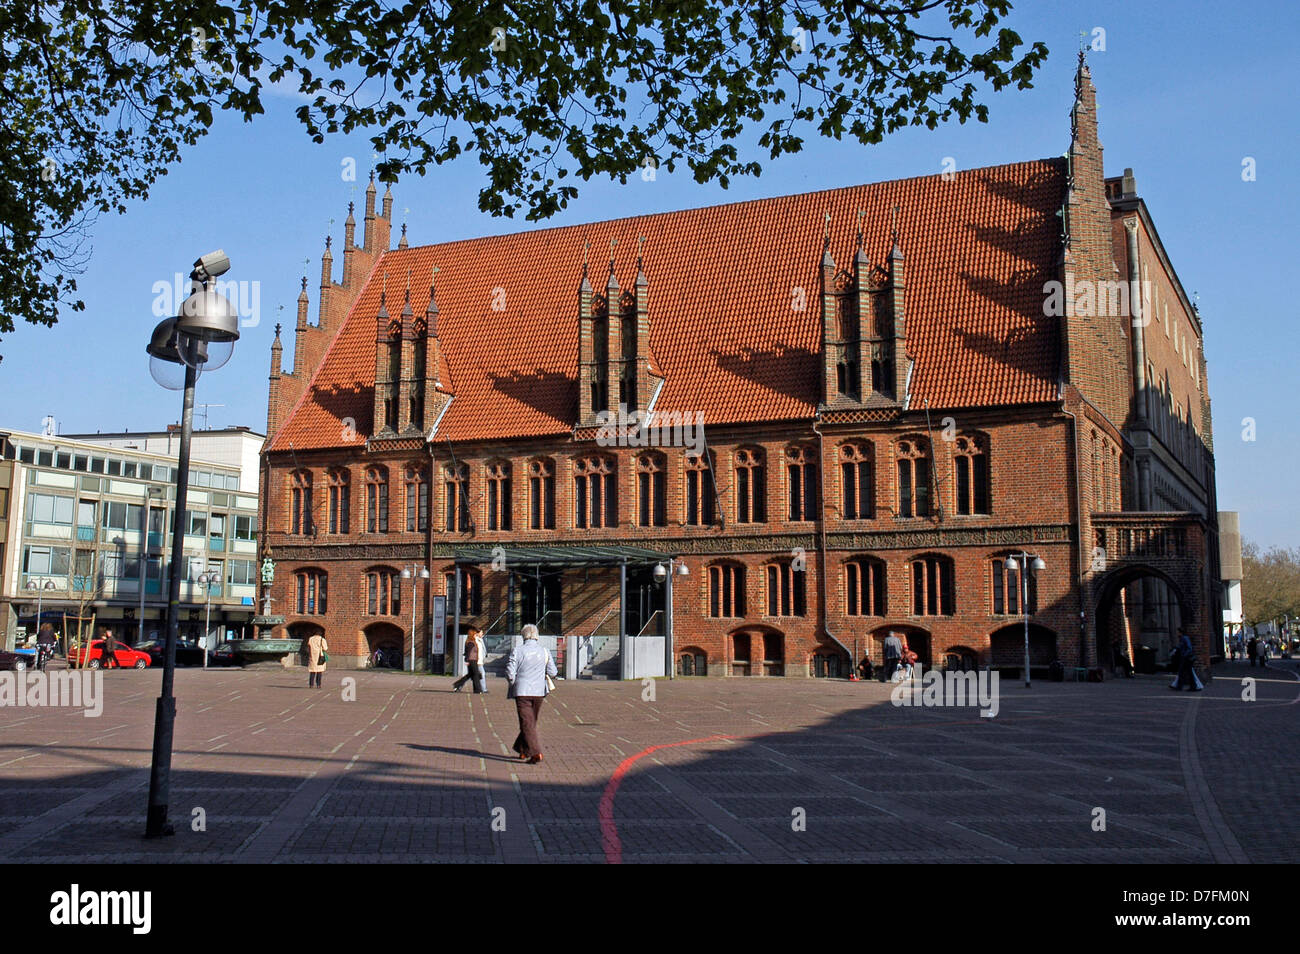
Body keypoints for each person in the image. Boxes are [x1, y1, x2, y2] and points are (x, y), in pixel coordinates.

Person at [506, 624, 556, 764]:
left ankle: (535, 752)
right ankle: (522, 750)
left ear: (523, 635)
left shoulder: (517, 650)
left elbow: (510, 672)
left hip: (522, 690)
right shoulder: (544, 651)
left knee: (527, 723)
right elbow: (553, 672)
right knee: (530, 722)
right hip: (539, 692)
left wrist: (513, 682)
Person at [453, 627, 486, 694]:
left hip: (474, 660)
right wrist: (467, 660)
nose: (475, 635)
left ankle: (457, 684)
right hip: (472, 660)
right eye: (474, 634)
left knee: (471, 674)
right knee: (476, 674)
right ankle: (478, 689)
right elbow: (468, 652)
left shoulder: (472, 642)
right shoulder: (471, 643)